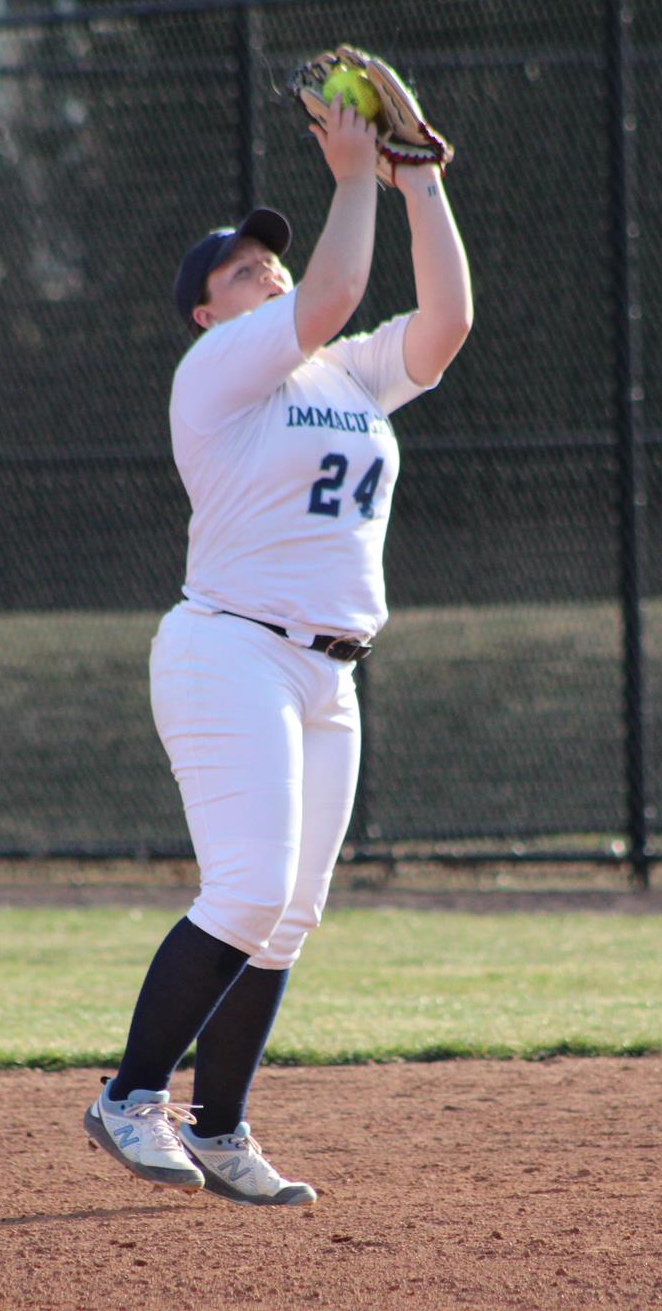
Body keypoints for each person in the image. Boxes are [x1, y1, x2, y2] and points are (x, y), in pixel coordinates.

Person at [81, 96, 472, 1206]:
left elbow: (443, 326)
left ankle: (218, 1126)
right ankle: (128, 1097)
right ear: (207, 316)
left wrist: (414, 179)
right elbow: (338, 289)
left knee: (289, 913)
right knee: (247, 888)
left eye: (268, 263)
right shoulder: (213, 379)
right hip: (229, 651)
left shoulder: (347, 376)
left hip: (328, 672)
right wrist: (350, 176)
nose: (267, 274)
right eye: (242, 271)